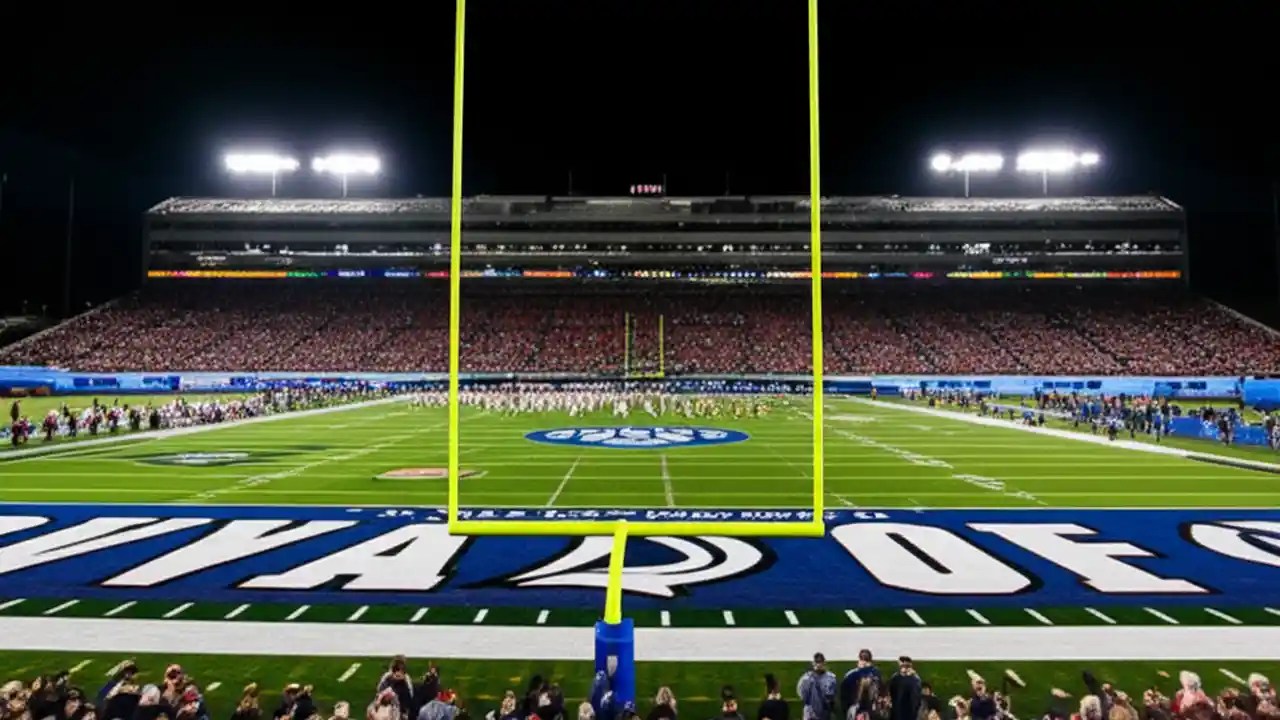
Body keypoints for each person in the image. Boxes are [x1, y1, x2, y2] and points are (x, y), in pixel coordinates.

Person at [796, 654, 836, 720]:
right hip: (810, 713)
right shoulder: (806, 678)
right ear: (813, 663)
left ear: (824, 663)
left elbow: (831, 696)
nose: (818, 664)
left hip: (824, 713)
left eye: (820, 661)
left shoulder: (830, 678)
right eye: (817, 662)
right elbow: (802, 695)